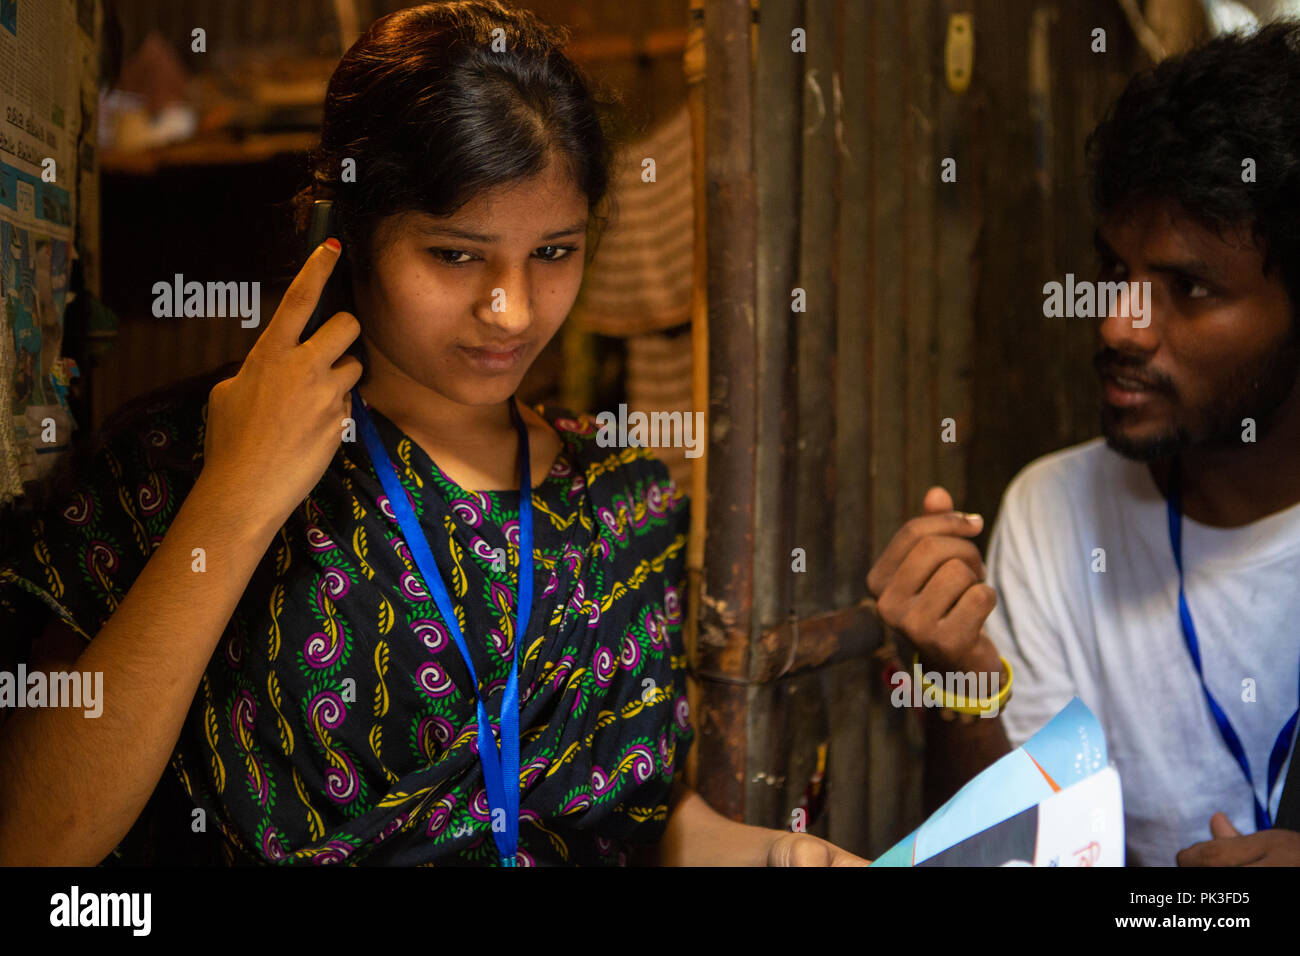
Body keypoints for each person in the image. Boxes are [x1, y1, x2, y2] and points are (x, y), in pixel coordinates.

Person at [0, 0, 864, 867]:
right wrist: (234, 500)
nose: (512, 311)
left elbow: (628, 822)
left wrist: (768, 856)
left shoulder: (620, 507)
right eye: (455, 255)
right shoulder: (174, 464)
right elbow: (35, 841)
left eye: (554, 253)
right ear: (346, 235)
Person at [868, 22, 1300, 867]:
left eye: (1187, 287)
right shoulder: (1054, 512)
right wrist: (959, 684)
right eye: (1115, 273)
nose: (1115, 324)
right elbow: (1011, 859)